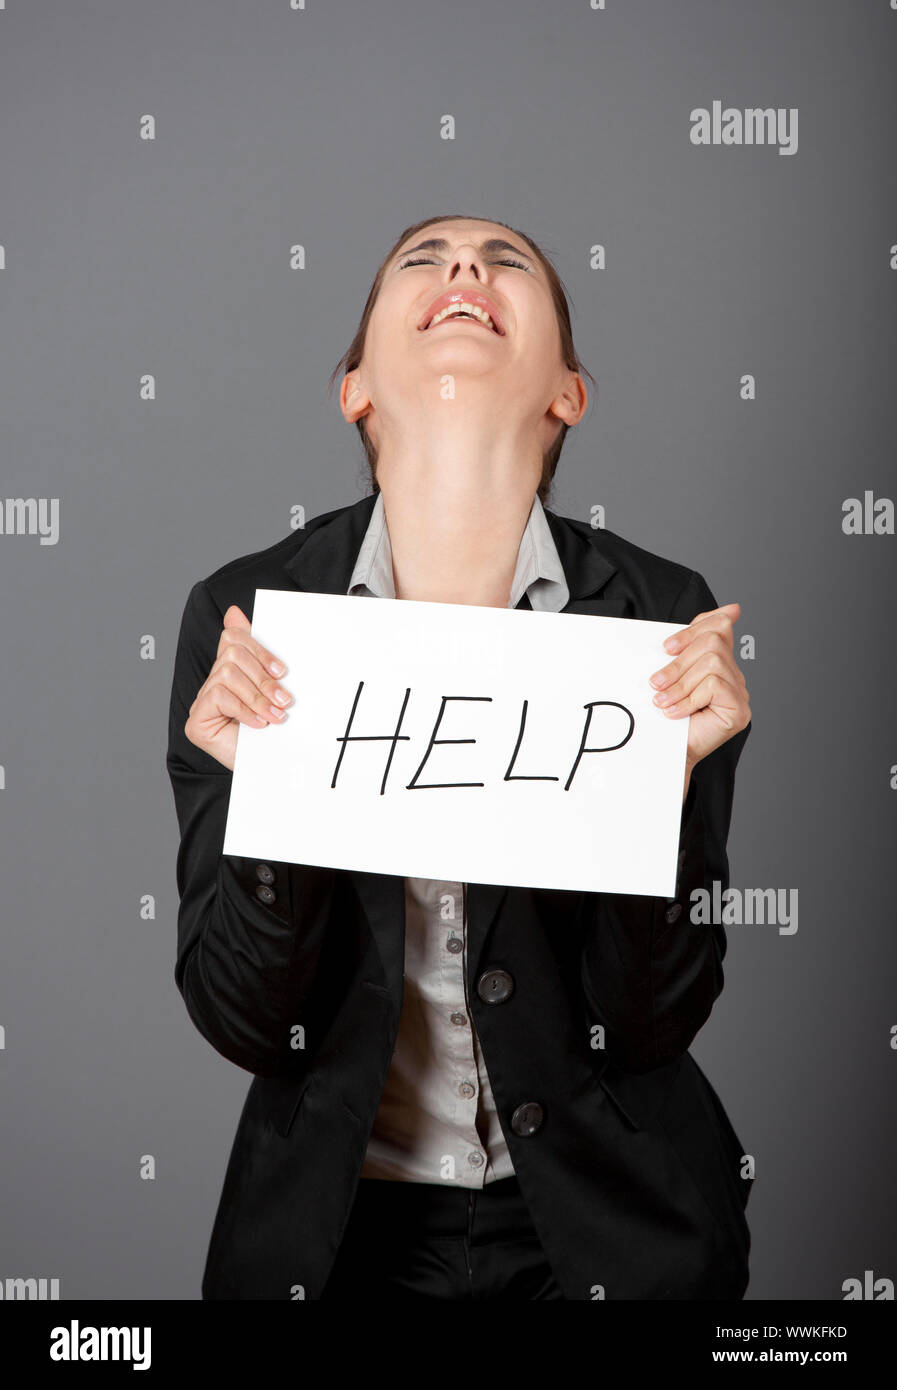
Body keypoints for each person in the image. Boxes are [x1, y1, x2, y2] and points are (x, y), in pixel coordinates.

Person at [166, 214, 753, 1301]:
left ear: (567, 393)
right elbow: (246, 1018)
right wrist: (264, 806)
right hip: (340, 1236)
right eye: (425, 262)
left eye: (505, 262)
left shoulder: (658, 621)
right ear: (355, 388)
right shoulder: (248, 622)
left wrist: (658, 802)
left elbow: (650, 1021)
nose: (467, 270)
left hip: (605, 1225)